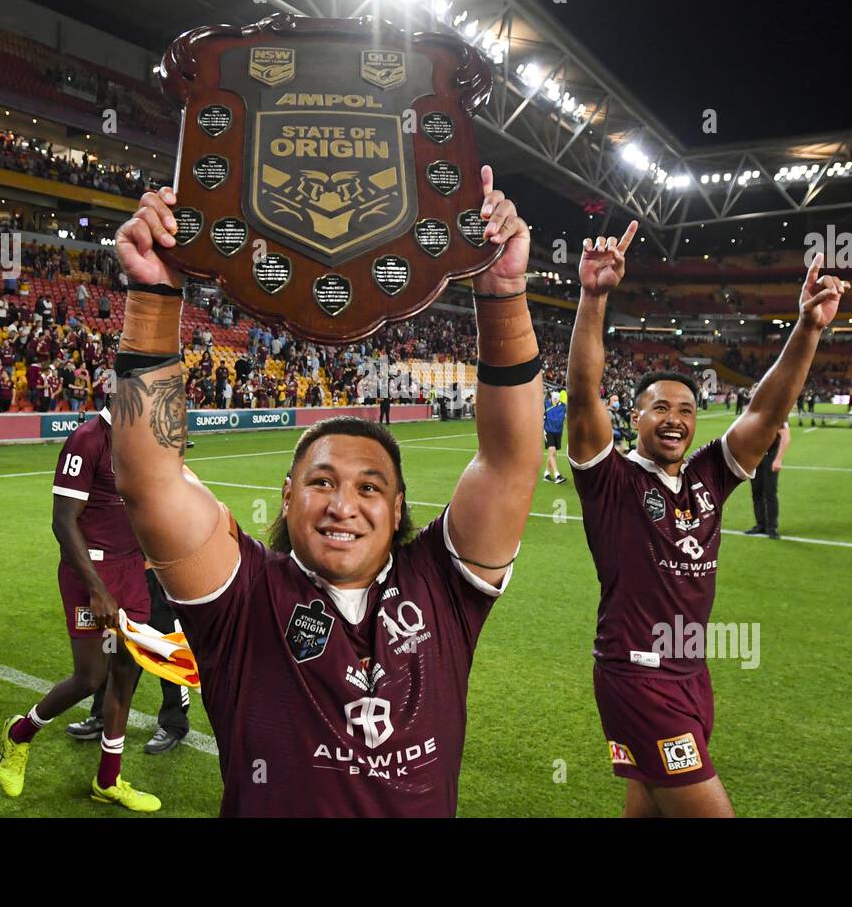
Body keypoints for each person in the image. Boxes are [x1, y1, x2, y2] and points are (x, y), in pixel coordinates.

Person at [107, 172, 542, 816]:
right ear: (286, 497)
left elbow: (510, 462)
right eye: (321, 482)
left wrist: (503, 292)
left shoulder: (443, 589)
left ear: (397, 510)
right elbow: (150, 480)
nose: (343, 505)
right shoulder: (245, 598)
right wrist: (153, 295)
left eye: (370, 488)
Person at [566, 224, 848, 819]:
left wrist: (808, 327)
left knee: (647, 803)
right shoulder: (610, 478)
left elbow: (767, 410)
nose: (675, 419)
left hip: (692, 673)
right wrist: (594, 298)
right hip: (637, 675)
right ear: (633, 416)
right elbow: (583, 390)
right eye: (660, 408)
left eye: (687, 410)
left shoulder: (708, 478)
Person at [0, 406, 162, 812]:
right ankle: (20, 733)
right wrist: (97, 588)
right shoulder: (88, 440)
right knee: (90, 677)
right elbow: (63, 521)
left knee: (126, 671)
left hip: (131, 571)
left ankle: (108, 780)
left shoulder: (143, 438)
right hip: (90, 573)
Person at [65, 561, 192, 754]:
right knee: (115, 646)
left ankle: (174, 724)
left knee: (166, 649)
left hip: (158, 578)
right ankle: (103, 716)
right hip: (122, 576)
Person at [746, 419, 790, 539]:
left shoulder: (778, 414)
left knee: (770, 493)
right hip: (756, 456)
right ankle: (760, 525)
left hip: (771, 456)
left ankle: (772, 528)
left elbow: (786, 438)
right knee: (756, 492)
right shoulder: (756, 413)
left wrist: (778, 459)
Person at [543, 388, 567, 483]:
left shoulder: (563, 406)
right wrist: (542, 431)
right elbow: (542, 417)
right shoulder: (546, 404)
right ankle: (557, 475)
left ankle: (546, 473)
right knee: (552, 452)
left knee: (553, 454)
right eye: (554, 398)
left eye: (557, 398)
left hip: (558, 432)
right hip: (548, 431)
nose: (555, 400)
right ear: (551, 397)